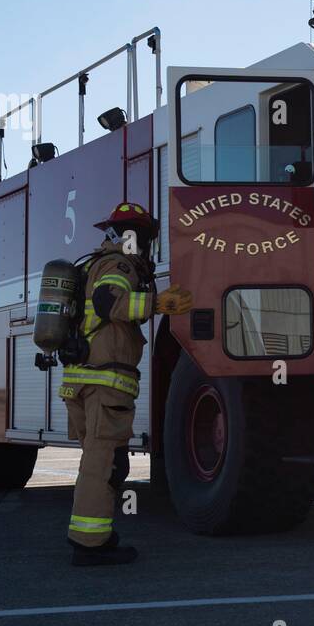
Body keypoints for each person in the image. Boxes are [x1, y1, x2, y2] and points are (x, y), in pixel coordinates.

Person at [59, 202, 192, 566]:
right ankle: (90, 543)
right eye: (144, 236)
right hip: (104, 383)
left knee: (103, 464)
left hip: (82, 382)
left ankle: (93, 534)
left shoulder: (95, 263)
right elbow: (107, 302)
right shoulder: (119, 265)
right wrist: (158, 303)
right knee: (103, 464)